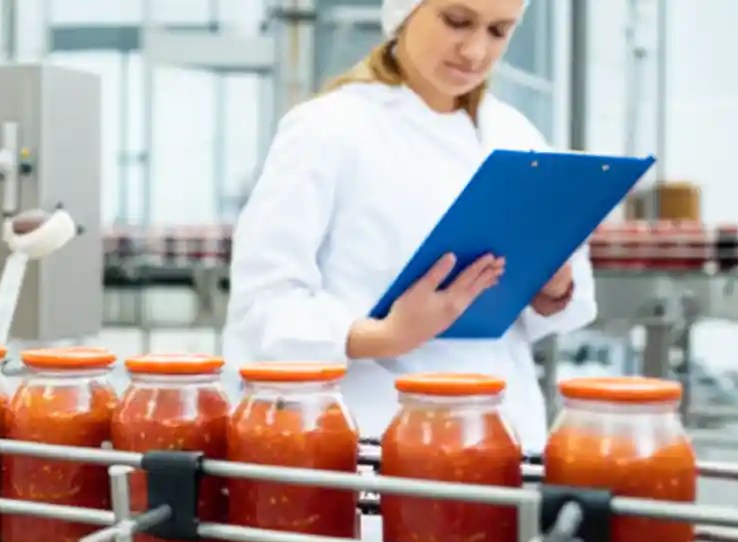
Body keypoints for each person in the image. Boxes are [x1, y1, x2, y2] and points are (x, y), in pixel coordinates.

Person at [222, 0, 596, 453]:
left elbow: (556, 306)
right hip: (379, 444)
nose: (476, 51)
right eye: (456, 22)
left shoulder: (516, 135)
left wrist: (552, 288)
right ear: (404, 12)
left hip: (505, 435)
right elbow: (263, 304)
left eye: (499, 31)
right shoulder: (328, 129)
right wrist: (387, 334)